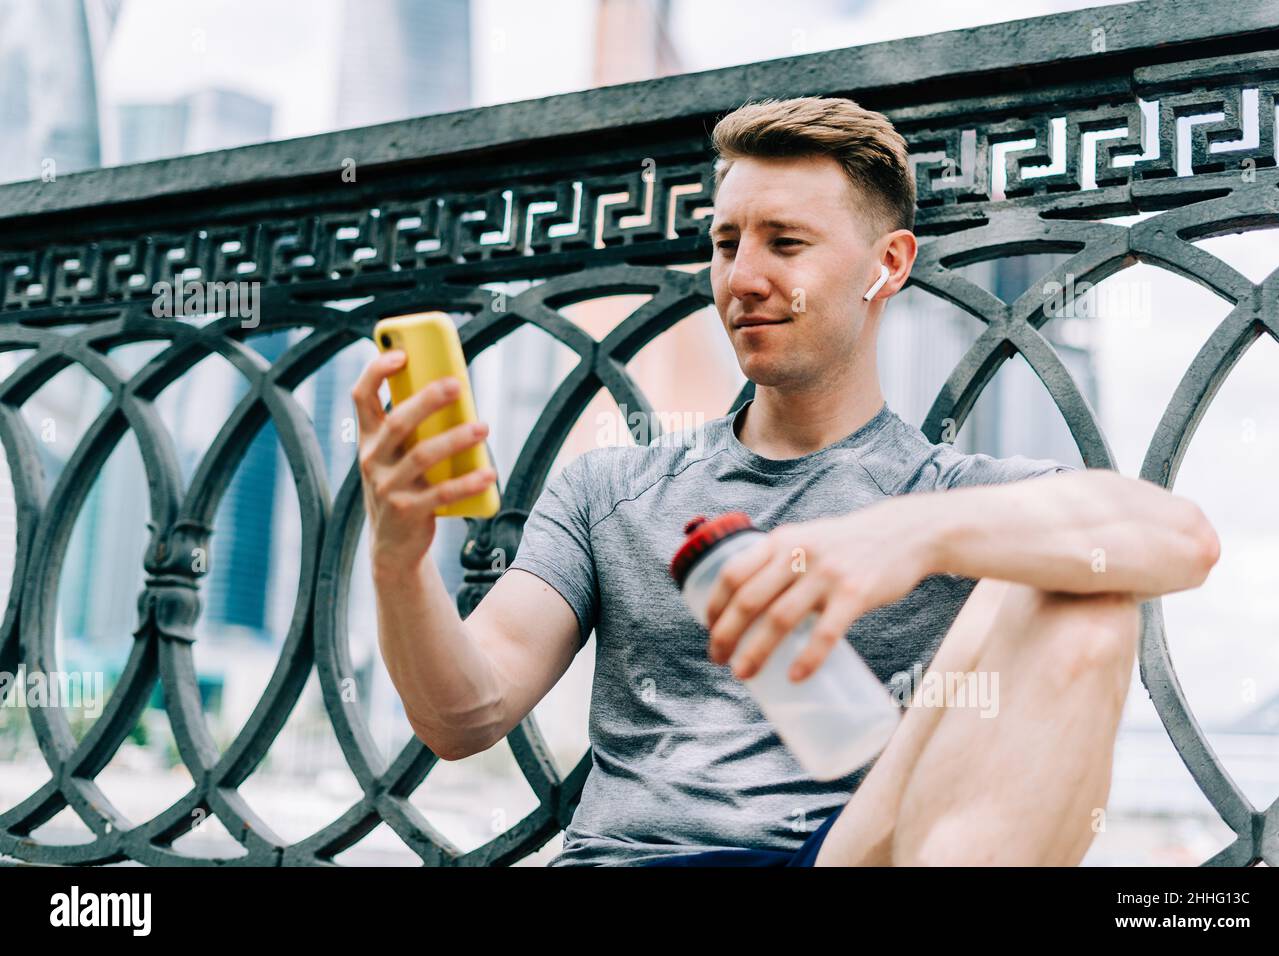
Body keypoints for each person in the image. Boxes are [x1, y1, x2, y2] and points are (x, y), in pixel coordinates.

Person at [350, 95, 1221, 867]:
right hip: (636, 858)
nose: (744, 279)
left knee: (1082, 593)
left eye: (787, 244)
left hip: (851, 849)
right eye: (727, 243)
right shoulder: (609, 487)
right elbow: (463, 717)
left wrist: (914, 535)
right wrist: (397, 559)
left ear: (889, 263)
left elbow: (1181, 541)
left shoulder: (962, 494)